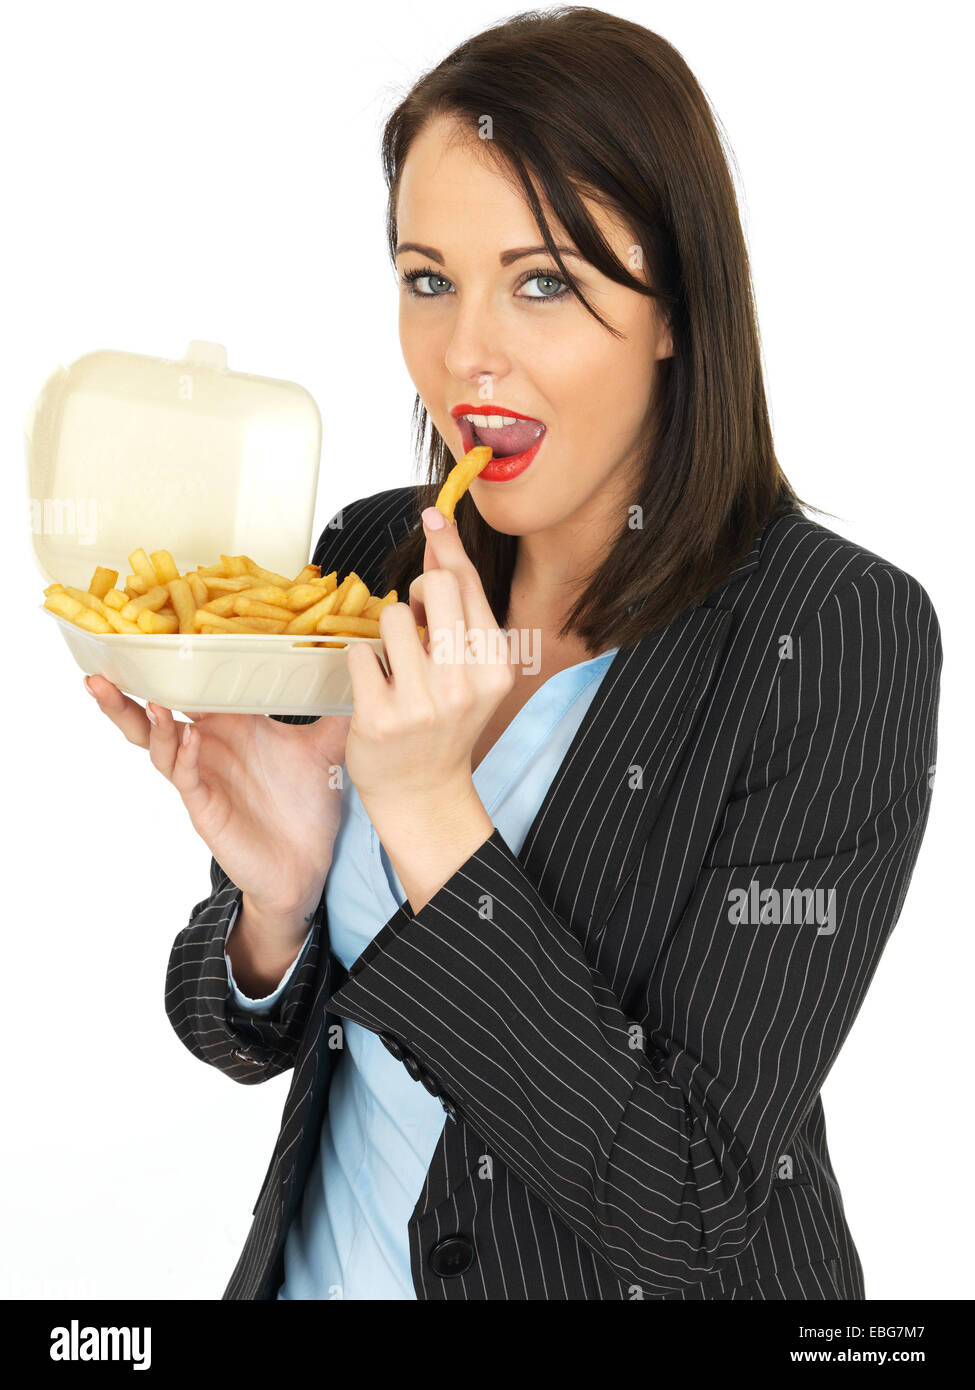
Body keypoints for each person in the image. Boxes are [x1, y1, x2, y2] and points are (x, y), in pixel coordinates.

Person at [89, 7, 942, 1300]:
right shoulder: (373, 559)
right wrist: (274, 904)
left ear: (677, 309)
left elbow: (690, 1208)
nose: (465, 354)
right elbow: (240, 1030)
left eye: (542, 281)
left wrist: (434, 816)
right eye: (429, 278)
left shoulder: (829, 639)